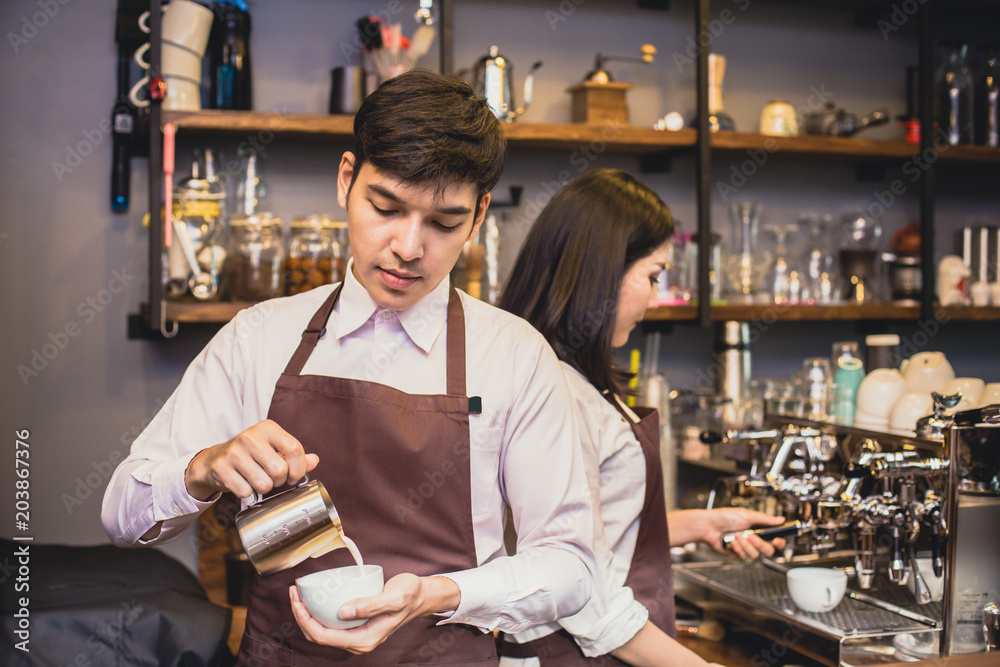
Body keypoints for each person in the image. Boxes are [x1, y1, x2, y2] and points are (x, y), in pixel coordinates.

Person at [102, 70, 598, 666]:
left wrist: (439, 594)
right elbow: (120, 515)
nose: (409, 247)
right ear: (346, 180)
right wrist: (203, 469)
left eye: (444, 223)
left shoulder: (515, 355)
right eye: (385, 206)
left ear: (480, 215)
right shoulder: (260, 336)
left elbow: (573, 567)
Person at [497, 169, 785, 666]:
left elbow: (587, 524)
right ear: (602, 271)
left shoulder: (558, 373)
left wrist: (699, 524)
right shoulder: (559, 393)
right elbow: (588, 596)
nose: (655, 298)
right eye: (652, 276)